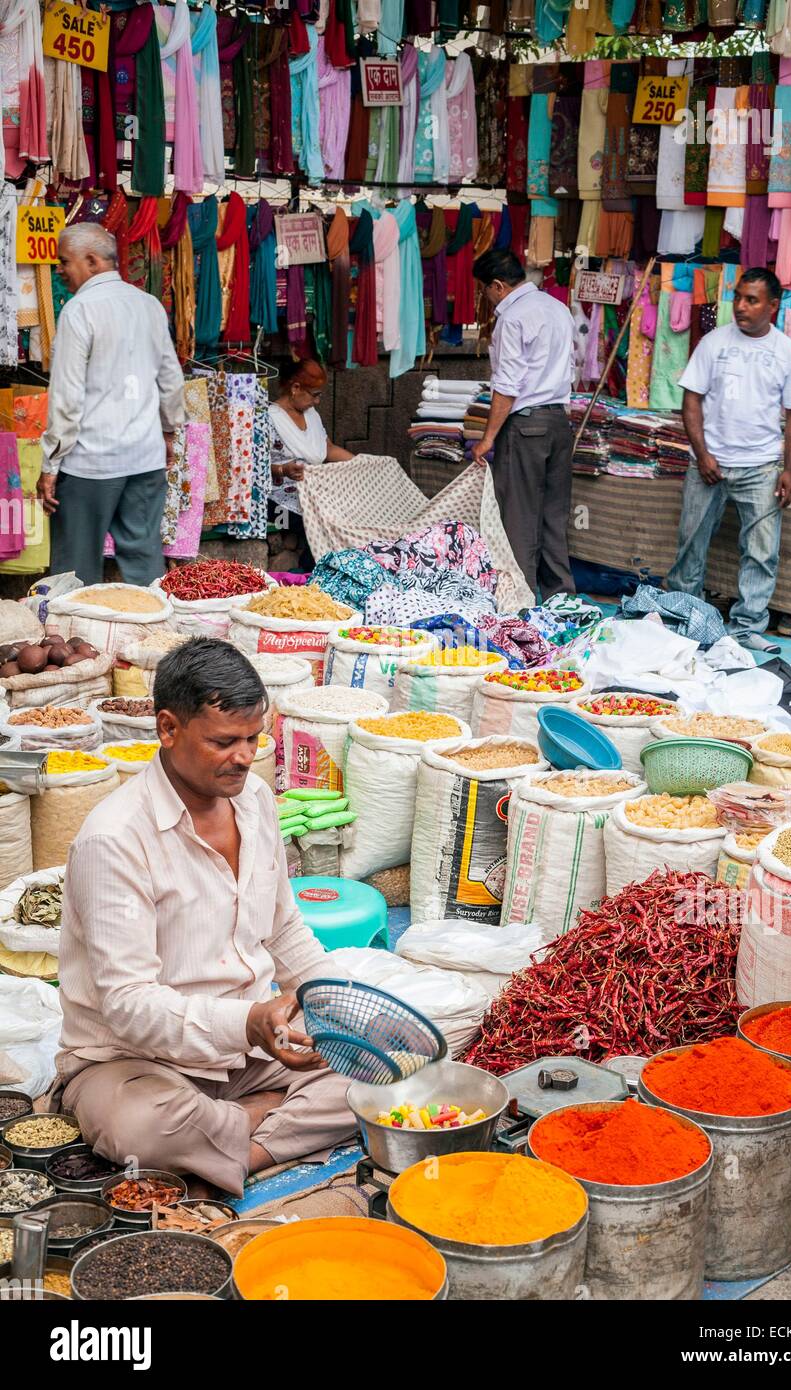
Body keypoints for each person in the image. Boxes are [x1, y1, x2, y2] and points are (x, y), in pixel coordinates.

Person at [54, 639, 355, 1195]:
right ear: (167, 728)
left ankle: (241, 1145)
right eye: (223, 741)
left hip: (250, 1046)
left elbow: (285, 929)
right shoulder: (114, 840)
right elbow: (128, 1007)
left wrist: (337, 1008)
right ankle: (264, 1125)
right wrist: (247, 1024)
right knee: (142, 1126)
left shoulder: (257, 800)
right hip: (134, 1060)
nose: (244, 756)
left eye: (252, 738)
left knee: (382, 1066)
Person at [667, 267, 791, 655]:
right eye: (739, 298)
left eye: (752, 300)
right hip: (709, 465)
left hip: (761, 467)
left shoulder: (787, 353)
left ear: (773, 306)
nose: (742, 307)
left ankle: (746, 628)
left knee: (762, 551)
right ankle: (687, 619)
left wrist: (788, 469)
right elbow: (691, 399)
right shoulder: (714, 343)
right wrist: (702, 454)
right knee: (691, 545)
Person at [36, 224, 185, 588]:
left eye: (63, 261)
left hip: (91, 463)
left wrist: (50, 464)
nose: (59, 270)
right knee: (144, 564)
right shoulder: (148, 305)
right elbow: (171, 380)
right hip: (145, 459)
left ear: (91, 260)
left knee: (74, 572)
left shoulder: (78, 311)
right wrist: (168, 433)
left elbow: (67, 399)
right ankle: (153, 638)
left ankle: (75, 643)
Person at [470, 249, 578, 600]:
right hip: (559, 422)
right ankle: (560, 598)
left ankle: (521, 600)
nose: (486, 299)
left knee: (518, 517)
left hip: (527, 424)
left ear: (498, 286)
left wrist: (488, 438)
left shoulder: (513, 318)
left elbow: (507, 386)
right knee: (553, 517)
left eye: (485, 291)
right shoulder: (557, 308)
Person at [269, 357, 353, 483]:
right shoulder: (270, 418)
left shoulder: (311, 414)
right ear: (296, 388)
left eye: (320, 395)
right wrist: (283, 470)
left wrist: (360, 462)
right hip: (284, 495)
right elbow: (254, 466)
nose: (317, 401)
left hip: (316, 487)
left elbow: (328, 448)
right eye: (314, 395)